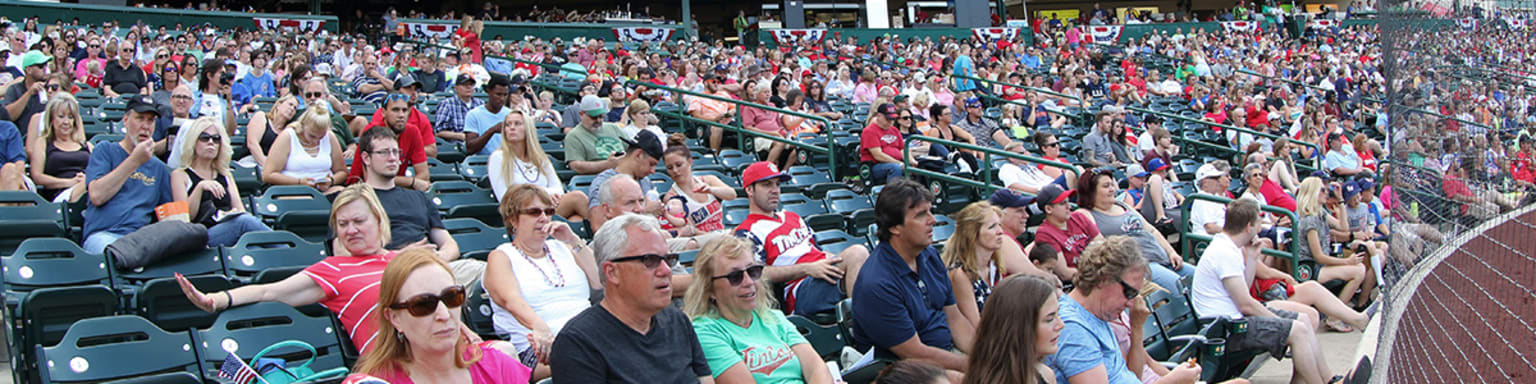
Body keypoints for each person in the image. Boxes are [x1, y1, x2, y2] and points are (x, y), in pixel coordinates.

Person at [177, 184, 467, 353]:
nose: (350, 230)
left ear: (379, 222)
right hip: (394, 363)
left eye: (358, 221)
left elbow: (442, 311)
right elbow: (269, 291)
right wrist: (216, 300)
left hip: (442, 352)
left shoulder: (400, 261)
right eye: (343, 225)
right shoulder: (334, 270)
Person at [1191, 199, 1368, 384]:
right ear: (1249, 226)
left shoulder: (1230, 247)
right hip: (1225, 328)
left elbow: (1244, 290)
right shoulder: (1224, 251)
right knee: (1296, 330)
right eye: (1259, 221)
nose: (1262, 225)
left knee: (1304, 319)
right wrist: (1279, 322)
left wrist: (1251, 258)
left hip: (1234, 319)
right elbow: (1246, 304)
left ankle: (1329, 380)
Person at [548, 213, 714, 383]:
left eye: (668, 259)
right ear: (612, 272)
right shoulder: (578, 343)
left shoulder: (677, 321)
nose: (666, 270)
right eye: (650, 260)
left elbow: (706, 380)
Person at [348, 248, 533, 383]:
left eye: (452, 297)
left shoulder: (497, 365)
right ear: (394, 318)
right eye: (422, 304)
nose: (443, 315)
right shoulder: (377, 381)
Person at [1044, 236, 1202, 384]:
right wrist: (1171, 381)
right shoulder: (1072, 328)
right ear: (1103, 279)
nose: (1131, 303)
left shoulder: (1098, 316)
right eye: (1130, 293)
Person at [852, 178, 970, 374]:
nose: (933, 220)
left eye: (930, 211)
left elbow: (955, 318)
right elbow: (914, 353)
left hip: (947, 359)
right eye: (921, 215)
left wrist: (985, 358)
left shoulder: (930, 255)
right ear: (894, 227)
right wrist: (973, 367)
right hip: (905, 371)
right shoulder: (877, 283)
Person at [483, 184, 599, 380]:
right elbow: (511, 300)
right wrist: (539, 326)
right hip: (540, 349)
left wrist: (572, 240)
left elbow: (599, 282)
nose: (544, 218)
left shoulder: (564, 247)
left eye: (549, 211)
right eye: (534, 212)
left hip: (590, 336)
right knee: (599, 361)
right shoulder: (502, 256)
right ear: (513, 219)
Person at [684, 236, 835, 384]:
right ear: (709, 289)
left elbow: (816, 368)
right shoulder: (706, 332)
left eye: (753, 271)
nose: (749, 282)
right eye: (735, 276)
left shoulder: (773, 317)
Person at [343, 126, 480, 284]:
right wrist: (401, 257)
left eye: (396, 152)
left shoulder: (419, 197)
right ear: (366, 158)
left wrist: (436, 257)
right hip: (387, 275)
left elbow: (449, 244)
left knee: (489, 273)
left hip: (433, 268)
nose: (393, 158)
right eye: (384, 152)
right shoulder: (354, 200)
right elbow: (344, 255)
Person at [736, 161, 869, 316]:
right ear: (749, 190)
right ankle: (864, 325)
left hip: (824, 276)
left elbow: (817, 252)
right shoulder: (747, 231)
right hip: (800, 290)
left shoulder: (792, 216)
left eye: (777, 185)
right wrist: (807, 268)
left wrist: (837, 260)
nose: (775, 190)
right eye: (767, 185)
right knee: (857, 252)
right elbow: (756, 274)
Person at [1076, 169, 1193, 293]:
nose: (1112, 189)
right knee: (1182, 288)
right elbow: (1101, 246)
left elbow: (1152, 230)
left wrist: (1171, 253)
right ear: (1091, 191)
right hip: (1142, 265)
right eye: (1106, 186)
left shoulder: (1123, 205)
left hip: (1163, 257)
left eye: (1112, 185)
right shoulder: (1086, 213)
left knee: (1199, 278)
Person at [81, 95, 172, 254]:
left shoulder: (159, 168)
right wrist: (135, 161)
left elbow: (170, 217)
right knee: (114, 254)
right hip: (104, 235)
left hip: (140, 240)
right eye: (139, 118)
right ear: (125, 120)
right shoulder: (105, 150)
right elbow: (96, 195)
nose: (145, 126)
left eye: (150, 121)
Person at [170, 117, 271, 247]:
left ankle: (289, 260)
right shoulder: (180, 175)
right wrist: (200, 188)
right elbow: (184, 219)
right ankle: (288, 251)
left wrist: (229, 214)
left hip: (228, 231)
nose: (211, 142)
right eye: (204, 138)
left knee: (253, 247)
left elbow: (239, 210)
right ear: (194, 142)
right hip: (199, 236)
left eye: (216, 139)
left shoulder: (225, 175)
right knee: (244, 223)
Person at [1294, 177, 1372, 325]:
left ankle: (1336, 315)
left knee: (1359, 268)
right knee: (1358, 271)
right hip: (1310, 267)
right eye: (1322, 190)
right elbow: (1318, 257)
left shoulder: (1320, 213)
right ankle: (1335, 317)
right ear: (1313, 193)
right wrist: (1347, 261)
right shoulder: (1310, 220)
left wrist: (1341, 200)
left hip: (1320, 265)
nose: (1326, 193)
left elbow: (1344, 228)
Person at [487, 109, 589, 221]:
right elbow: (504, 197)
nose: (511, 128)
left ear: (528, 128)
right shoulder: (498, 157)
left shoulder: (539, 158)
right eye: (507, 125)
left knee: (576, 219)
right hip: (521, 213)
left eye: (517, 124)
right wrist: (544, 196)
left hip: (547, 208)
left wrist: (541, 195)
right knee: (577, 197)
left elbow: (558, 189)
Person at [963, 275, 1063, 384]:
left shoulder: (1046, 375)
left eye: (1058, 314)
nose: (1061, 325)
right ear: (1020, 327)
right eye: (1049, 319)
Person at [348, 93, 430, 191]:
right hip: (362, 190)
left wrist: (406, 182)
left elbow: (424, 175)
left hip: (396, 190)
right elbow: (372, 180)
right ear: (383, 112)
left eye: (405, 110)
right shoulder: (372, 132)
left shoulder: (413, 131)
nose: (401, 115)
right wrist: (411, 182)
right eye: (395, 110)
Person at [660, 134, 735, 238]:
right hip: (703, 241)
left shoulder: (709, 179)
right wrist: (719, 239)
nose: (675, 171)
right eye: (670, 167)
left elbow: (732, 195)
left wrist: (711, 190)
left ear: (690, 161)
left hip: (721, 232)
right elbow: (691, 230)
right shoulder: (672, 197)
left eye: (679, 165)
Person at [262, 106, 346, 194]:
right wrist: (299, 182)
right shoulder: (288, 136)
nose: (316, 140)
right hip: (292, 190)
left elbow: (342, 172)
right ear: (303, 125)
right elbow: (268, 175)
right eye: (312, 136)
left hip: (325, 190)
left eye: (321, 137)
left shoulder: (330, 136)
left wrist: (331, 180)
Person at [27, 92, 90, 203]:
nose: (66, 122)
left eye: (70, 117)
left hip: (87, 189)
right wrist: (69, 182)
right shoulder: (43, 142)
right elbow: (37, 176)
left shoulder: (85, 145)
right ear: (51, 119)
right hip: (60, 195)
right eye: (61, 116)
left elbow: (100, 171)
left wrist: (86, 180)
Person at [1033, 184, 1094, 281]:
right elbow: (1064, 273)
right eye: (1063, 203)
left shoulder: (1079, 217)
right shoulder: (1044, 234)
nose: (1069, 207)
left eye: (1068, 202)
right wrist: (1095, 273)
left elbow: (1102, 244)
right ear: (1048, 209)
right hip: (1078, 283)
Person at [563, 94, 628, 175]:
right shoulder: (573, 136)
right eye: (593, 117)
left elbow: (632, 150)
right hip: (596, 178)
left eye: (601, 116)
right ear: (581, 114)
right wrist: (608, 164)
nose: (598, 120)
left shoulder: (614, 128)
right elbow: (576, 166)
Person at [462, 74, 512, 156]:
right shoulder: (474, 115)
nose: (502, 99)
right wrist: (492, 131)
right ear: (489, 92)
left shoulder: (511, 114)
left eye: (505, 95)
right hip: (482, 162)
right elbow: (470, 148)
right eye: (498, 94)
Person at [244, 95, 298, 167]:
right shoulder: (261, 117)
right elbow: (252, 144)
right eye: (290, 104)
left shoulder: (287, 132)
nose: (292, 109)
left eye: (295, 108)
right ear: (278, 105)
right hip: (251, 161)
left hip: (272, 166)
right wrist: (266, 167)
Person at [861, 103, 905, 185]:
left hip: (896, 162)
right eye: (887, 119)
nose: (890, 122)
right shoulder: (869, 131)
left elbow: (902, 149)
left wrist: (912, 162)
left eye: (892, 119)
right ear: (879, 116)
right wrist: (899, 163)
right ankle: (893, 195)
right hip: (876, 166)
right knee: (895, 168)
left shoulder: (894, 130)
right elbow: (878, 155)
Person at [4, 51, 50, 127]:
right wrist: (29, 93)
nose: (45, 69)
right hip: (20, 136)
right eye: (41, 66)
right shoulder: (14, 89)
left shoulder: (50, 88)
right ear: (29, 70)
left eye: (46, 65)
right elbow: (9, 116)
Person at [433, 74, 483, 141]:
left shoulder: (480, 104)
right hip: (455, 145)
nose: (468, 87)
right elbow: (439, 132)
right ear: (456, 88)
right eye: (464, 85)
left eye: (471, 85)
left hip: (480, 142)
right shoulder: (447, 104)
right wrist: (460, 136)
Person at [1189, 161, 1234, 235]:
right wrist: (1232, 233)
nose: (1218, 181)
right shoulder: (1202, 199)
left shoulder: (1215, 196)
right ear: (1205, 182)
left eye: (1219, 177)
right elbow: (1210, 228)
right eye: (1215, 178)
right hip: (1208, 241)